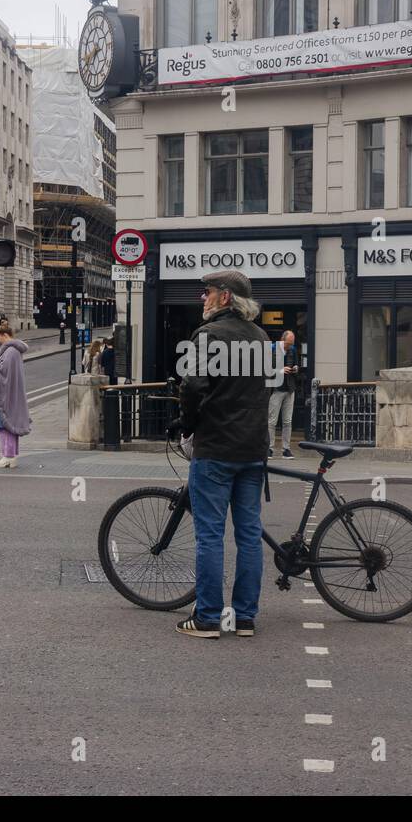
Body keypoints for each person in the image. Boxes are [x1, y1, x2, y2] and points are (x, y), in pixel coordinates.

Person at [169, 270, 270, 639]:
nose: (203, 298)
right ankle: (244, 618)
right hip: (253, 449)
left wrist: (185, 422)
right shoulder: (261, 338)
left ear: (225, 297)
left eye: (208, 292)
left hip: (215, 447)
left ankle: (208, 618)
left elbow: (193, 386)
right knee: (248, 535)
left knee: (210, 535)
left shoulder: (207, 336)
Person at [0, 325, 31, 468]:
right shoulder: (14, 351)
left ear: (5, 335)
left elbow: (3, 371)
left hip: (5, 397)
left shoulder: (11, 351)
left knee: (5, 426)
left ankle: (7, 456)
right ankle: (10, 456)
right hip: (10, 395)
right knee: (8, 426)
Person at [266, 330, 298, 459]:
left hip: (289, 388)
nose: (289, 346)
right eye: (288, 344)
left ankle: (286, 449)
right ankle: (269, 448)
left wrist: (296, 368)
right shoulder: (272, 349)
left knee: (287, 421)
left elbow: (296, 364)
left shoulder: (293, 350)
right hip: (276, 388)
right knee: (272, 421)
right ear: (282, 340)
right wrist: (280, 370)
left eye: (291, 344)